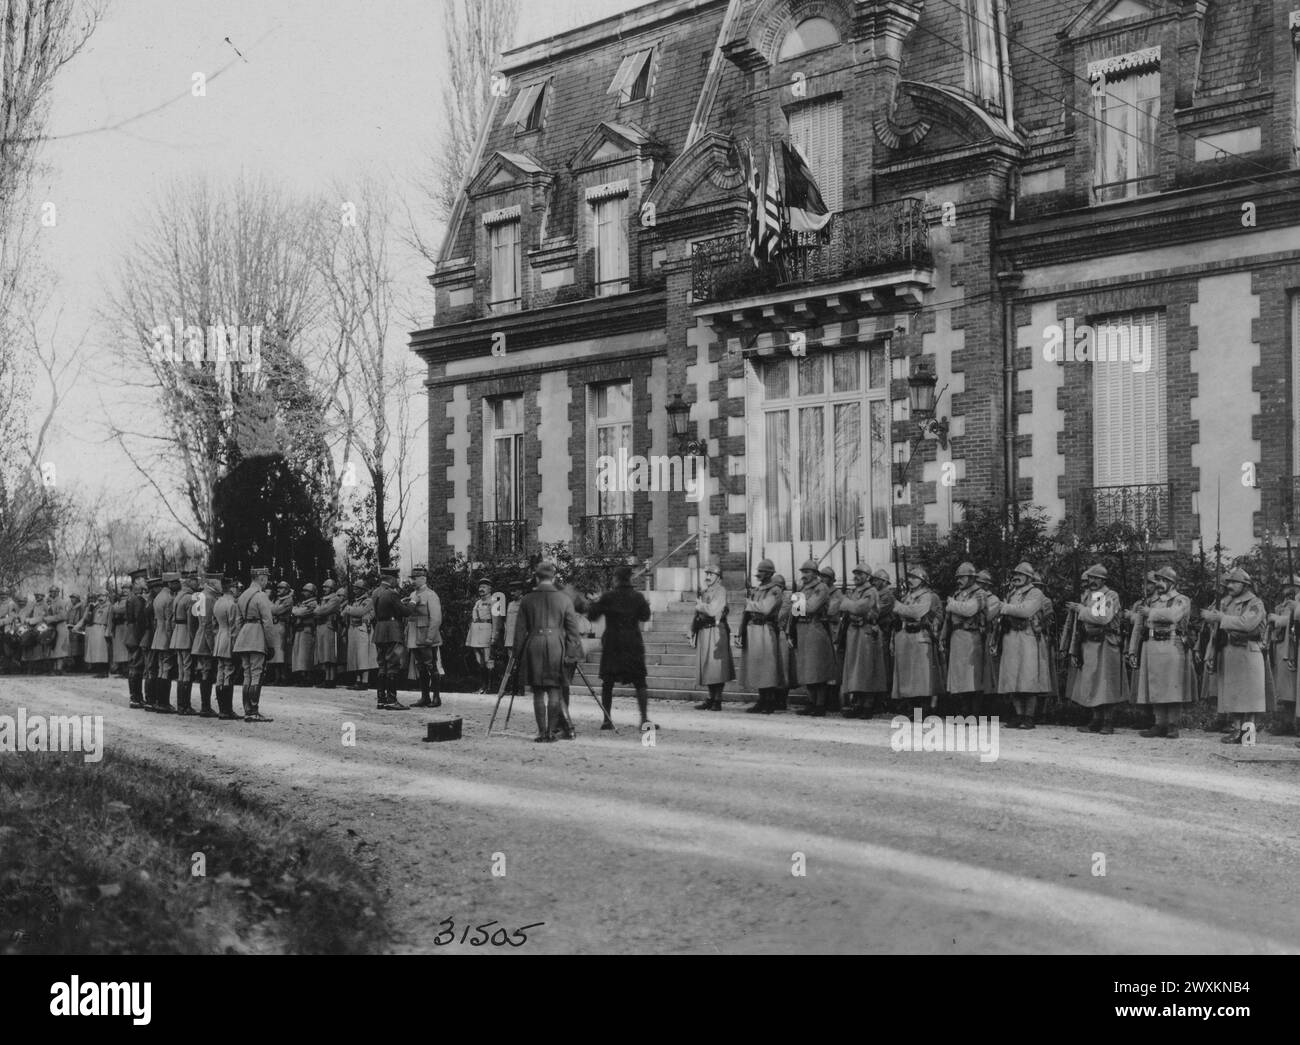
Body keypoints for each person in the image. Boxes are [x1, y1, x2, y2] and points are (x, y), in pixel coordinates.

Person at [514, 561, 583, 742]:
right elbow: (573, 632)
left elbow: (520, 631)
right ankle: (552, 733)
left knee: (537, 691)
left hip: (534, 645)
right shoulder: (564, 599)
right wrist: (570, 653)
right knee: (554, 690)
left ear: (536, 578)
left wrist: (516, 655)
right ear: (553, 578)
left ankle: (541, 732)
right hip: (556, 646)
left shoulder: (527, 599)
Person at [1201, 567, 1270, 745]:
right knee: (1234, 695)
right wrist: (1210, 654)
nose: (1229, 585)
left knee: (1249, 697)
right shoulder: (1226, 602)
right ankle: (1237, 730)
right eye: (1229, 582)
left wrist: (1221, 618)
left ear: (1245, 585)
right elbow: (1216, 632)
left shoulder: (1255, 603)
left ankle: (1248, 735)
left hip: (1248, 652)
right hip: (1229, 651)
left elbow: (1247, 624)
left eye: (1234, 582)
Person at [587, 564, 655, 730]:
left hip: (613, 643)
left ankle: (607, 719)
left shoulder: (608, 597)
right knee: (640, 682)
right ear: (630, 578)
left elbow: (592, 616)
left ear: (616, 579)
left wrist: (596, 602)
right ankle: (644, 719)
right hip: (633, 643)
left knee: (608, 682)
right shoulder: (638, 597)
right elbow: (645, 617)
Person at [1133, 565, 1196, 739]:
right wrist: (1132, 650)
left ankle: (1173, 725)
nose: (1159, 584)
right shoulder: (1151, 601)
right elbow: (1139, 626)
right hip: (1152, 643)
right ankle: (1159, 723)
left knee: (1173, 685)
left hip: (1172, 643)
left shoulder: (1181, 599)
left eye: (1163, 581)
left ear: (1171, 583)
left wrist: (1151, 612)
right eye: (1158, 580)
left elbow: (1173, 616)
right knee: (1156, 684)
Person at [1065, 564, 1126, 734]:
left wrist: (1081, 609)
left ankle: (1108, 721)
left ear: (1103, 580)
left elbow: (1103, 617)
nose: (1092, 581)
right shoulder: (1088, 596)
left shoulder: (1110, 595)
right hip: (1089, 643)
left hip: (1107, 642)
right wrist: (1074, 648)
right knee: (1091, 682)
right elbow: (1079, 625)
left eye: (1096, 578)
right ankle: (1096, 719)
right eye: (1090, 577)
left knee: (1106, 684)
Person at [995, 562, 1054, 729]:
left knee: (1028, 677)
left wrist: (1005, 607)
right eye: (1015, 574)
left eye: (1020, 574)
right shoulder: (1011, 594)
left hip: (1028, 638)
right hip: (1011, 638)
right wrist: (1008, 608)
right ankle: (1018, 714)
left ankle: (1029, 716)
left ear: (1029, 578)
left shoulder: (1036, 593)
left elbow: (1026, 610)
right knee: (1013, 677)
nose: (1016, 577)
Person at [892, 565, 944, 715]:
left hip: (921, 636)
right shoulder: (908, 596)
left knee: (922, 677)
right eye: (909, 577)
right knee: (909, 675)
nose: (910, 580)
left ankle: (923, 709)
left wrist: (897, 606)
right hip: (908, 636)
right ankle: (911, 707)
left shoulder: (927, 596)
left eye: (914, 578)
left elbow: (916, 612)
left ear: (922, 580)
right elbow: (905, 614)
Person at [788, 560, 837, 716]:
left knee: (817, 668)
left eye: (807, 572)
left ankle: (820, 704)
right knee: (806, 668)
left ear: (815, 574)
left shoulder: (821, 588)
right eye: (803, 572)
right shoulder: (803, 589)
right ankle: (811, 702)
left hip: (815, 629)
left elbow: (811, 608)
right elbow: (795, 613)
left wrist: (796, 600)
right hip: (802, 629)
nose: (804, 575)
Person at [941, 562, 988, 717]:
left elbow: (969, 610)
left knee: (971, 677)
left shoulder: (979, 593)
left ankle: (973, 714)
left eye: (963, 577)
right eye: (958, 577)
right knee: (958, 677)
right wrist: (943, 636)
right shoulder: (957, 594)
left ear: (972, 578)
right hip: (956, 637)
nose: (959, 580)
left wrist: (952, 605)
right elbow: (948, 619)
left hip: (971, 637)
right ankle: (963, 712)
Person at [740, 559, 786, 715]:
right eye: (759, 571)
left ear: (770, 573)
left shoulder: (775, 590)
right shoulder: (757, 590)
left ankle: (770, 701)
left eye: (762, 572)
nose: (759, 575)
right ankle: (761, 700)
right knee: (758, 666)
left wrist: (748, 603)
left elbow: (765, 608)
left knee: (768, 667)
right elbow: (746, 614)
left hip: (767, 628)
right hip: (754, 629)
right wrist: (741, 631)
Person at [233, 566, 277, 722]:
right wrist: (270, 644)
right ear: (262, 578)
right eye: (266, 578)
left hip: (244, 636)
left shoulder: (243, 595)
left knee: (247, 674)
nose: (267, 582)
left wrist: (239, 638)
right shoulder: (261, 596)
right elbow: (267, 622)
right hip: (257, 636)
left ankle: (247, 710)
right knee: (257, 673)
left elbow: (238, 622)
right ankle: (254, 710)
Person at [691, 562, 735, 711]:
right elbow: (697, 615)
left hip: (716, 630)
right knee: (707, 667)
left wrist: (700, 606)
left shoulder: (720, 591)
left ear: (718, 577)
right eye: (707, 574)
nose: (708, 576)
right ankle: (710, 697)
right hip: (704, 629)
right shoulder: (704, 592)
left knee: (716, 667)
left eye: (711, 574)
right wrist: (692, 630)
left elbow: (712, 610)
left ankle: (718, 699)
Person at [403, 565, 443, 708]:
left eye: (415, 578)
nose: (413, 581)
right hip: (414, 634)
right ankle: (424, 697)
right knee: (420, 667)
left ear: (423, 578)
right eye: (412, 578)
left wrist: (430, 637)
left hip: (426, 635)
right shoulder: (413, 595)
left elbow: (436, 618)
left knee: (431, 665)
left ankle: (436, 698)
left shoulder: (431, 595)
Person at [371, 568, 411, 711]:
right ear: (391, 579)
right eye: (396, 578)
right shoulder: (392, 594)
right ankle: (391, 700)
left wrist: (400, 602)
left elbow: (380, 610)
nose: (397, 581)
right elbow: (405, 611)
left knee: (382, 665)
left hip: (380, 630)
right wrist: (411, 603)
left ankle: (381, 700)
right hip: (393, 630)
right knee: (393, 664)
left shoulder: (376, 592)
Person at [1267, 574, 1299, 736]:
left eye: (1291, 587)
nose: (1287, 591)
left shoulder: (1296, 604)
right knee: (1284, 689)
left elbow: (1292, 621)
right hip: (1280, 647)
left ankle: (1294, 722)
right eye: (1285, 587)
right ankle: (1287, 723)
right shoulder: (1282, 605)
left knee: (1293, 688)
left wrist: (1277, 619)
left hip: (1292, 648)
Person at [190, 573, 222, 718]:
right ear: (213, 584)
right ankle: (205, 707)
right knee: (207, 673)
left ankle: (205, 706)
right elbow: (208, 624)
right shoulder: (209, 598)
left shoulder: (200, 596)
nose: (221, 585)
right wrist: (212, 645)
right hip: (206, 640)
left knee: (205, 672)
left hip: (199, 637)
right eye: (219, 582)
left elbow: (193, 621)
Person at [210, 575, 241, 720]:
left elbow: (213, 624)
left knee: (220, 673)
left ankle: (222, 708)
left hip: (219, 638)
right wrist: (236, 646)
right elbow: (235, 627)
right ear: (232, 588)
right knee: (229, 672)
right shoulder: (232, 604)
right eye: (236, 587)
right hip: (228, 639)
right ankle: (227, 709)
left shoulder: (218, 602)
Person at [148, 572, 179, 712]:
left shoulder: (158, 597)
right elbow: (169, 622)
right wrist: (171, 639)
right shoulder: (169, 598)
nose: (178, 584)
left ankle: (158, 701)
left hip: (157, 637)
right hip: (165, 637)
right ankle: (163, 702)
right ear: (170, 583)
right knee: (166, 669)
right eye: (176, 582)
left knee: (160, 668)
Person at [170, 573, 197, 714]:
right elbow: (192, 623)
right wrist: (193, 639)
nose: (197, 582)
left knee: (181, 671)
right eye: (195, 580)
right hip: (186, 634)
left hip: (177, 634)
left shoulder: (178, 596)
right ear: (189, 582)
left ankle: (182, 704)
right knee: (187, 671)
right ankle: (184, 705)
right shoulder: (190, 598)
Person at [343, 580, 377, 689]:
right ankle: (358, 680)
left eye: (357, 588)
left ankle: (365, 680)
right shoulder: (355, 601)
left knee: (363, 656)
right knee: (355, 656)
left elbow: (360, 612)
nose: (354, 590)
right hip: (354, 628)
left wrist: (348, 609)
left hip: (363, 629)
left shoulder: (368, 600)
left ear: (362, 590)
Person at [123, 570, 149, 708]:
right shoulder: (137, 599)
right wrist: (142, 638)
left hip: (131, 634)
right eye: (143, 579)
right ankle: (136, 698)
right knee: (136, 666)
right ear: (137, 582)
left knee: (134, 666)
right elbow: (139, 620)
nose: (146, 581)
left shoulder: (132, 598)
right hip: (136, 635)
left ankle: (136, 697)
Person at [314, 579, 345, 689]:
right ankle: (327, 678)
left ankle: (331, 679)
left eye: (326, 587)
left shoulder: (335, 599)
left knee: (330, 654)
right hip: (322, 626)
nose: (324, 589)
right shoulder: (324, 599)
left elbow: (323, 611)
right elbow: (320, 611)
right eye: (323, 587)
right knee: (324, 654)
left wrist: (317, 611)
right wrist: (318, 611)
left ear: (331, 588)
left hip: (330, 626)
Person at [467, 579, 495, 693]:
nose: (481, 589)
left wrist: (494, 635)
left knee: (488, 659)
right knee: (479, 660)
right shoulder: (478, 602)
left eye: (484, 587)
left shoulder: (494, 601)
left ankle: (489, 687)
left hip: (487, 629)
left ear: (490, 589)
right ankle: (482, 686)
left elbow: (497, 620)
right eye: (480, 587)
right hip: (476, 631)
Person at [291, 583, 318, 685]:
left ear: (311, 593)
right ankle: (301, 677)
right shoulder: (303, 603)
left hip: (307, 629)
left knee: (306, 654)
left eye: (306, 591)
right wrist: (296, 610)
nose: (304, 593)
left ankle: (308, 678)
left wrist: (296, 611)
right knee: (299, 654)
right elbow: (296, 611)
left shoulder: (313, 603)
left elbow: (299, 613)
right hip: (300, 629)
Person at [44, 585, 71, 676]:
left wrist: (50, 618)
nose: (52, 593)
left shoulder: (61, 602)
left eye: (54, 592)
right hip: (53, 627)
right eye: (51, 592)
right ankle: (55, 669)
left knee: (59, 649)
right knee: (54, 649)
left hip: (60, 627)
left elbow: (63, 616)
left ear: (58, 593)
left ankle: (59, 669)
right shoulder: (51, 603)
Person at [84, 590, 111, 678]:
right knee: (96, 652)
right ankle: (99, 670)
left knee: (102, 651)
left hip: (103, 628)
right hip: (94, 629)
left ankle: (104, 671)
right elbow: (88, 618)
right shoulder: (96, 607)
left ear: (107, 597)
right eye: (99, 596)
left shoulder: (109, 606)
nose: (100, 598)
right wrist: (90, 610)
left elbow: (110, 620)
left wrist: (108, 631)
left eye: (103, 596)